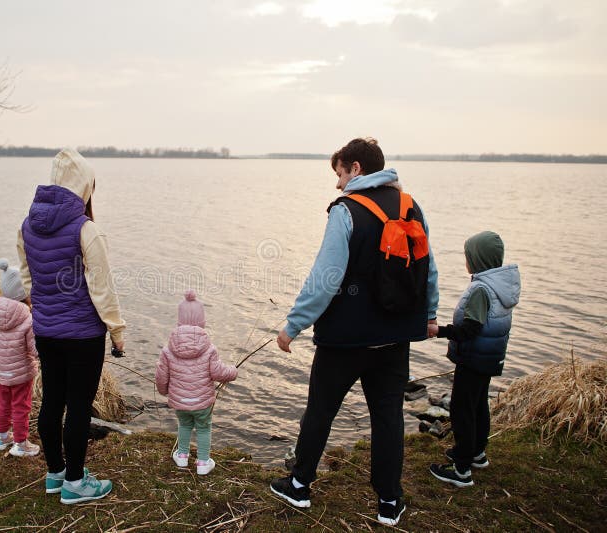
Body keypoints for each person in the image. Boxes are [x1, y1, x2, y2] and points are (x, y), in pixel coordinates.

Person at [269, 138, 439, 527]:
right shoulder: (411, 206)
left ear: (356, 168)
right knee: (388, 417)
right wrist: (429, 315)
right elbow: (428, 267)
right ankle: (389, 502)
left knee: (320, 412)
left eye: (340, 173)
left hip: (345, 339)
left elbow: (326, 279)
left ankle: (299, 485)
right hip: (396, 337)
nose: (337, 184)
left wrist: (293, 325)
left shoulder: (346, 210)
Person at [17, 148, 126, 505]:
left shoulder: (27, 226)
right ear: (84, 186)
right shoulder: (85, 228)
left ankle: (56, 474)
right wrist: (117, 332)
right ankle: (76, 484)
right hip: (82, 335)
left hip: (46, 331)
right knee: (78, 406)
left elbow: (28, 280)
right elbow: (102, 288)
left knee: (51, 401)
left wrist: (44, 312)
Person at [428, 231, 520, 487]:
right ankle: (477, 453)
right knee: (479, 404)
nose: (466, 260)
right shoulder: (500, 285)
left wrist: (439, 331)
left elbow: (470, 330)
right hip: (489, 357)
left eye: (468, 256)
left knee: (462, 409)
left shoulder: (481, 289)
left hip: (474, 358)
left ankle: (461, 469)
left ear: (478, 260)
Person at [155, 290, 238, 475]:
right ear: (202, 321)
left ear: (179, 320)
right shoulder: (209, 348)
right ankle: (203, 463)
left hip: (180, 402)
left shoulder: (168, 349)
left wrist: (163, 391)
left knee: (184, 425)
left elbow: (161, 376)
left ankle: (182, 456)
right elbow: (218, 372)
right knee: (203, 428)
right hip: (202, 402)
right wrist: (233, 372)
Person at [0, 258, 40, 457]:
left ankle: (1, 437)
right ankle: (21, 443)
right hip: (21, 374)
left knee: (3, 403)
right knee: (21, 406)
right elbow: (34, 350)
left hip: (0, 371)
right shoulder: (27, 318)